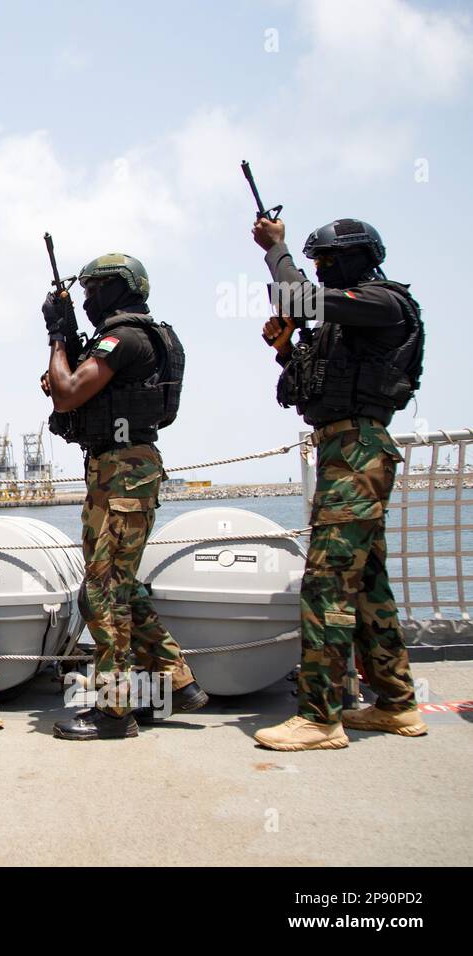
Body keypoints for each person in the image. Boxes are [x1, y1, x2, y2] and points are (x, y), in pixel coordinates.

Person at [251, 216, 427, 751]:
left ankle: (320, 717)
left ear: (358, 258)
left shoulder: (384, 302)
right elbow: (310, 391)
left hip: (359, 452)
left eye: (327, 261)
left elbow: (301, 296)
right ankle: (397, 704)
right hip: (340, 449)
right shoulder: (345, 323)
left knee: (326, 582)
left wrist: (276, 249)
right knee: (368, 584)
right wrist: (285, 351)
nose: (321, 270)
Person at [42, 253, 207, 741]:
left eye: (94, 291)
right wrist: (69, 335)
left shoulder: (126, 338)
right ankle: (177, 681)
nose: (89, 300)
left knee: (101, 594)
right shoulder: (141, 336)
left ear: (118, 289)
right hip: (120, 468)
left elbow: (67, 391)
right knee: (121, 588)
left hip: (122, 473)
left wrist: (56, 337)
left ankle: (115, 711)